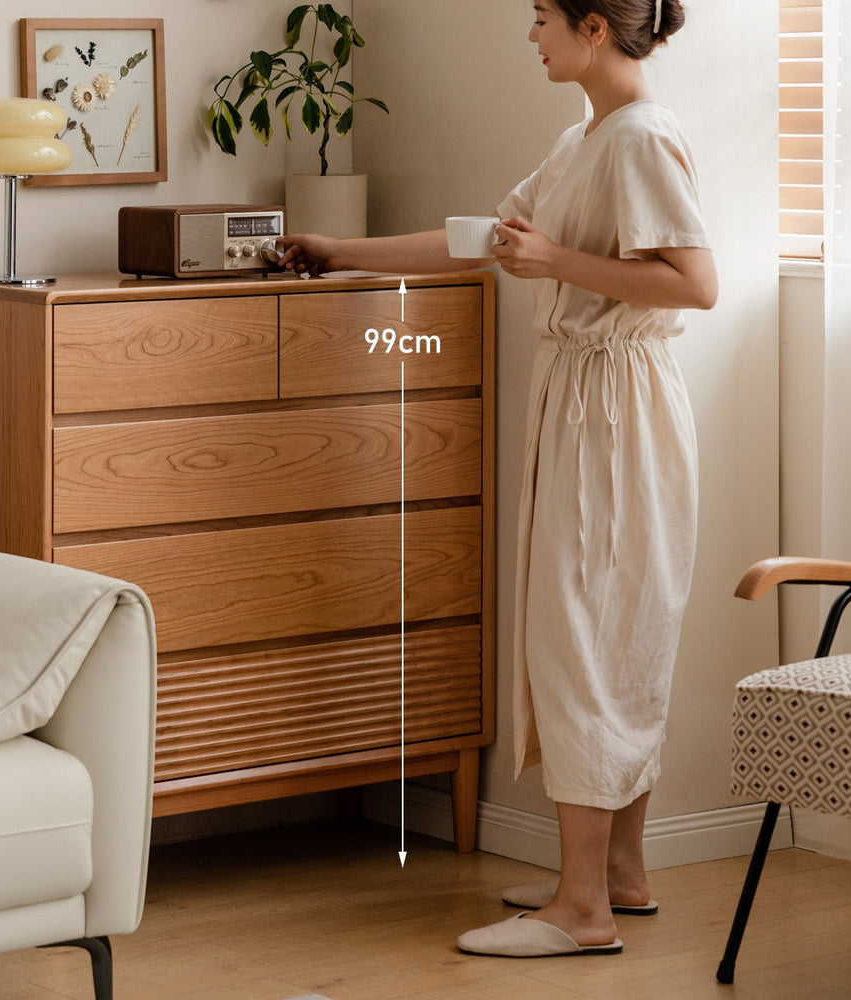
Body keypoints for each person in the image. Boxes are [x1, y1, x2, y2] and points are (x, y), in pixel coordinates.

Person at [278, 0, 717, 960]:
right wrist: (341, 253)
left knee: (587, 633)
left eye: (541, 18)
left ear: (593, 27)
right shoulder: (586, 137)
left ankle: (580, 910)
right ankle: (618, 876)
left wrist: (559, 260)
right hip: (589, 401)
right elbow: (482, 236)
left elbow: (696, 282)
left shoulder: (640, 137)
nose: (531, 36)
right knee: (608, 625)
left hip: (617, 410)